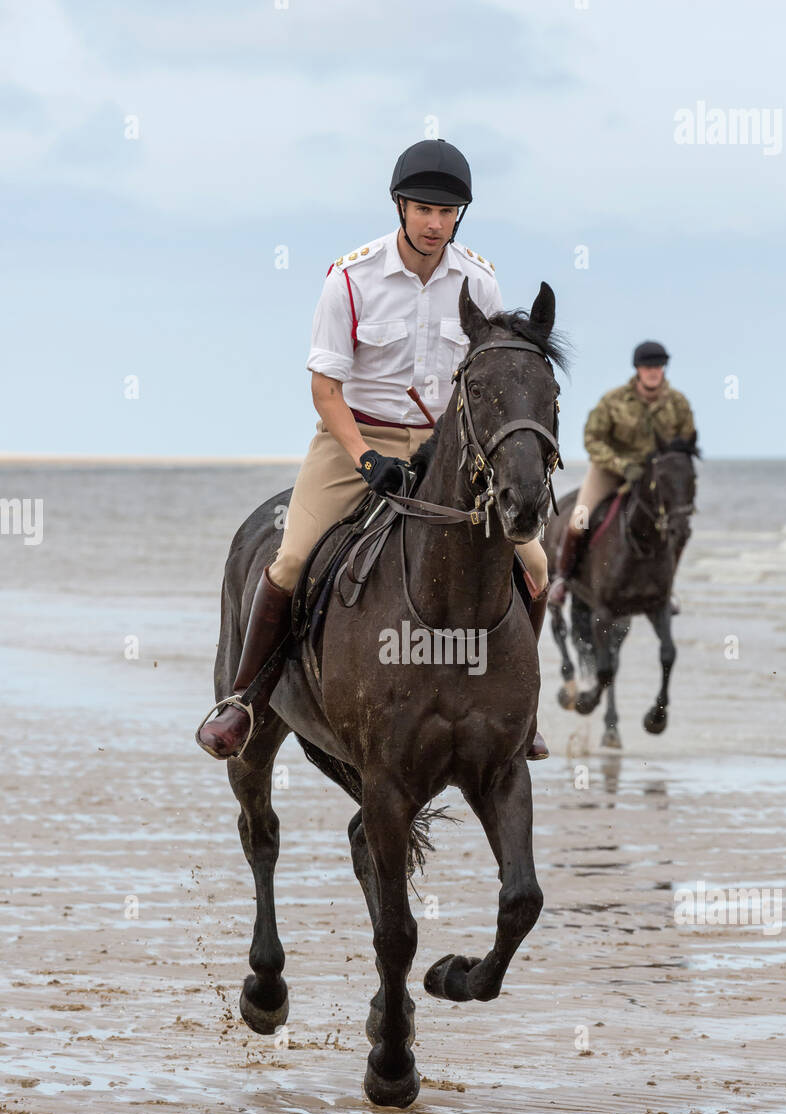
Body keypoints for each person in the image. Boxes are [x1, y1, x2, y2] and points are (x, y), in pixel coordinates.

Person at [197, 139, 551, 761]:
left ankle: (521, 710)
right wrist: (365, 457)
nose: (435, 223)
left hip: (451, 447)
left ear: (459, 216)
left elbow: (493, 382)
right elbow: (325, 390)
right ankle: (245, 700)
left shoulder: (481, 282)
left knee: (538, 565)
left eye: (447, 212)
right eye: (423, 210)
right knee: (289, 560)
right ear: (400, 206)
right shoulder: (350, 279)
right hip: (355, 438)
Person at [549, 341, 696, 604]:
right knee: (579, 517)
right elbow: (592, 438)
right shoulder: (614, 400)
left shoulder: (678, 404)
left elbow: (684, 445)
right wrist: (621, 464)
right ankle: (561, 578)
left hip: (653, 477)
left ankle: (666, 587)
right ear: (638, 369)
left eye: (659, 366)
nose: (654, 371)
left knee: (680, 526)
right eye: (648, 366)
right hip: (611, 470)